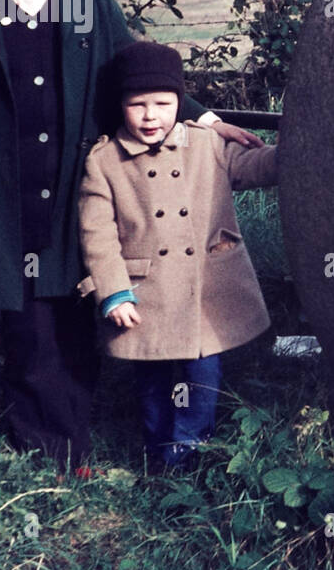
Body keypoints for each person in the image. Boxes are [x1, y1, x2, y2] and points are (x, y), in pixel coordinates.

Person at [0, 0, 264, 472]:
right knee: (27, 322)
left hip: (79, 184)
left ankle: (94, 430)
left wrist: (205, 119)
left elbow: (134, 79)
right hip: (3, 187)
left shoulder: (88, 4)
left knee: (76, 313)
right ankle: (51, 453)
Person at [76, 41, 278, 469]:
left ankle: (188, 453)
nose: (151, 116)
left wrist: (296, 151)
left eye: (164, 103)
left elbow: (254, 167)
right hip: (145, 295)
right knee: (151, 380)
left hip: (202, 293)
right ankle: (157, 452)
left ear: (180, 103)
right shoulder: (105, 162)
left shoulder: (206, 146)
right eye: (138, 105)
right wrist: (113, 292)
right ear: (120, 105)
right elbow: (97, 234)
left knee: (202, 378)